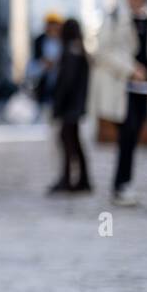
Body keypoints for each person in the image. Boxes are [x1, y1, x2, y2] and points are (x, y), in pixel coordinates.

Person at [93, 0, 147, 206]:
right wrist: (130, 69)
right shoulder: (115, 17)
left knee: (136, 134)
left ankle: (123, 184)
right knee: (127, 135)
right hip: (124, 89)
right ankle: (121, 185)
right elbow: (102, 51)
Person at [47, 18, 91, 194]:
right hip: (75, 106)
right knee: (74, 143)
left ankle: (67, 179)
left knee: (67, 143)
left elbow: (67, 82)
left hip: (69, 107)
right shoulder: (78, 50)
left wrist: (58, 106)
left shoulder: (71, 51)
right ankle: (82, 180)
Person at [30, 13, 64, 120]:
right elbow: (34, 63)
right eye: (50, 24)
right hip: (43, 82)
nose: (53, 27)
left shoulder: (64, 40)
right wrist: (44, 63)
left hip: (60, 83)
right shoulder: (39, 41)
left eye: (55, 24)